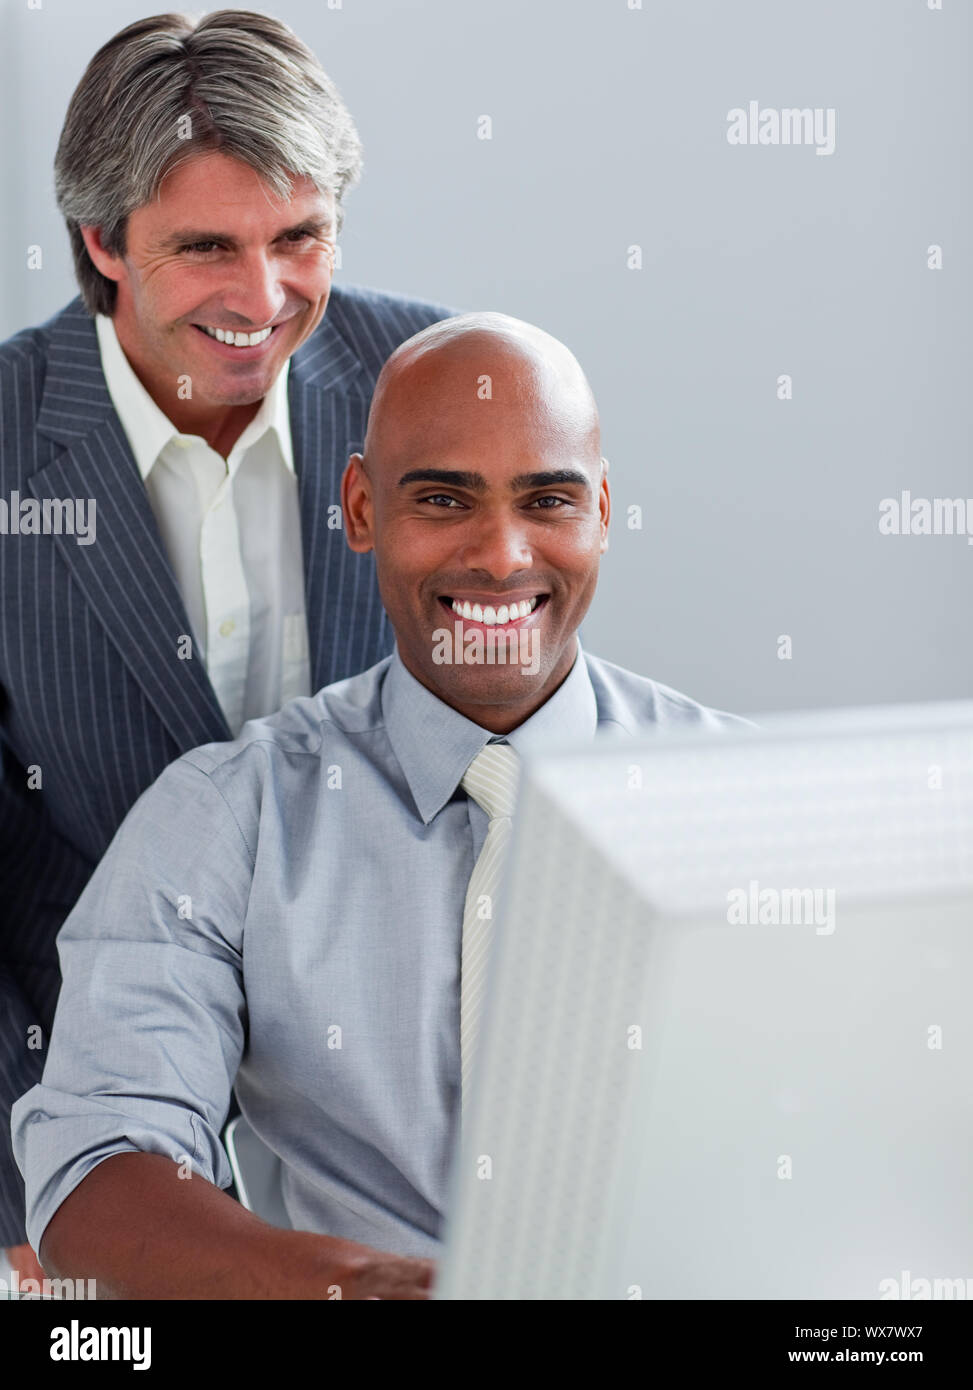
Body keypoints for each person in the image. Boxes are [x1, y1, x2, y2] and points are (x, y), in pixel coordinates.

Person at [12, 311, 750, 1299]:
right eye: (443, 498)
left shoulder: (749, 805)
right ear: (360, 510)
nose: (499, 555)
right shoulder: (231, 815)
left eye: (548, 500)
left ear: (603, 511)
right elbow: (96, 1168)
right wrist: (345, 1287)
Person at [0, 8, 453, 1274]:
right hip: (82, 1137)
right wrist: (29, 1198)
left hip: (394, 1146)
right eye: (205, 247)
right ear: (102, 242)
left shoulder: (430, 389)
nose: (262, 300)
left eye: (299, 238)